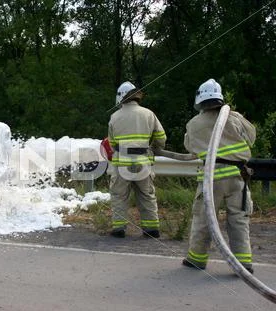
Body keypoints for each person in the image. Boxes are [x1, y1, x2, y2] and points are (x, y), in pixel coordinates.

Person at [182, 78, 256, 273]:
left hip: (211, 179)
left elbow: (189, 147)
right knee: (239, 220)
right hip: (237, 179)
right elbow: (252, 136)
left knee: (204, 218)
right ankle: (243, 263)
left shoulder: (194, 123)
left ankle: (196, 259)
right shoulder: (234, 118)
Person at [107, 81, 166, 238]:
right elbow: (161, 137)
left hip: (122, 164)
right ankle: (151, 229)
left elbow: (112, 143)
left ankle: (119, 228)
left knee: (119, 195)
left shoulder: (114, 117)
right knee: (146, 195)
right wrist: (153, 147)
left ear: (121, 97)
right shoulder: (148, 114)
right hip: (143, 162)